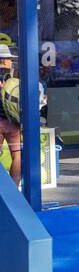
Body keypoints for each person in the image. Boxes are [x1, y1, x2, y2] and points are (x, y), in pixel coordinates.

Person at [0, 44, 21, 185]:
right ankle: (14, 189)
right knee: (17, 155)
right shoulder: (13, 76)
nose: (11, 62)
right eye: (9, 59)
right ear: (3, 60)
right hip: (12, 122)